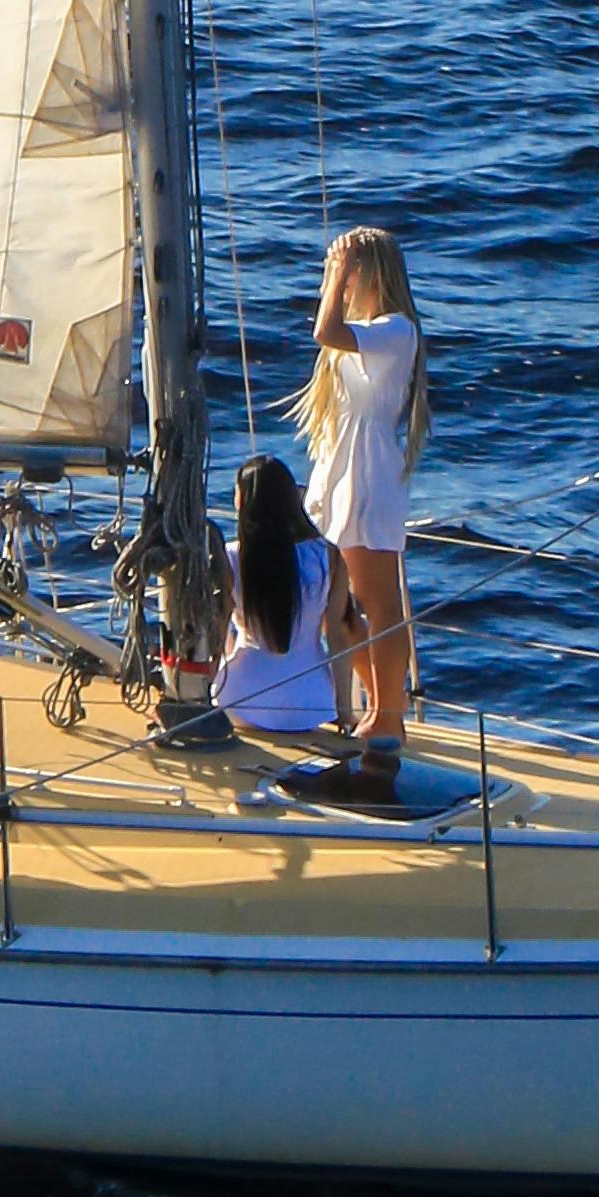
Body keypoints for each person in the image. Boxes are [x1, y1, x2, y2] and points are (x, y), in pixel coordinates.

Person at [301, 225, 429, 781]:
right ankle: (377, 702)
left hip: (370, 472)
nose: (347, 280)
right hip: (341, 465)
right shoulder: (370, 332)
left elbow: (324, 331)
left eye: (355, 271)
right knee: (341, 602)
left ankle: (389, 714)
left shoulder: (396, 331)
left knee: (378, 602)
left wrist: (334, 273)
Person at [209, 454, 352, 749]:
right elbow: (338, 635)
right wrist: (344, 708)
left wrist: (207, 692)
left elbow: (218, 629)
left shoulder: (231, 556)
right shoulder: (329, 555)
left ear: (244, 500)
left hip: (241, 699)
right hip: (312, 705)